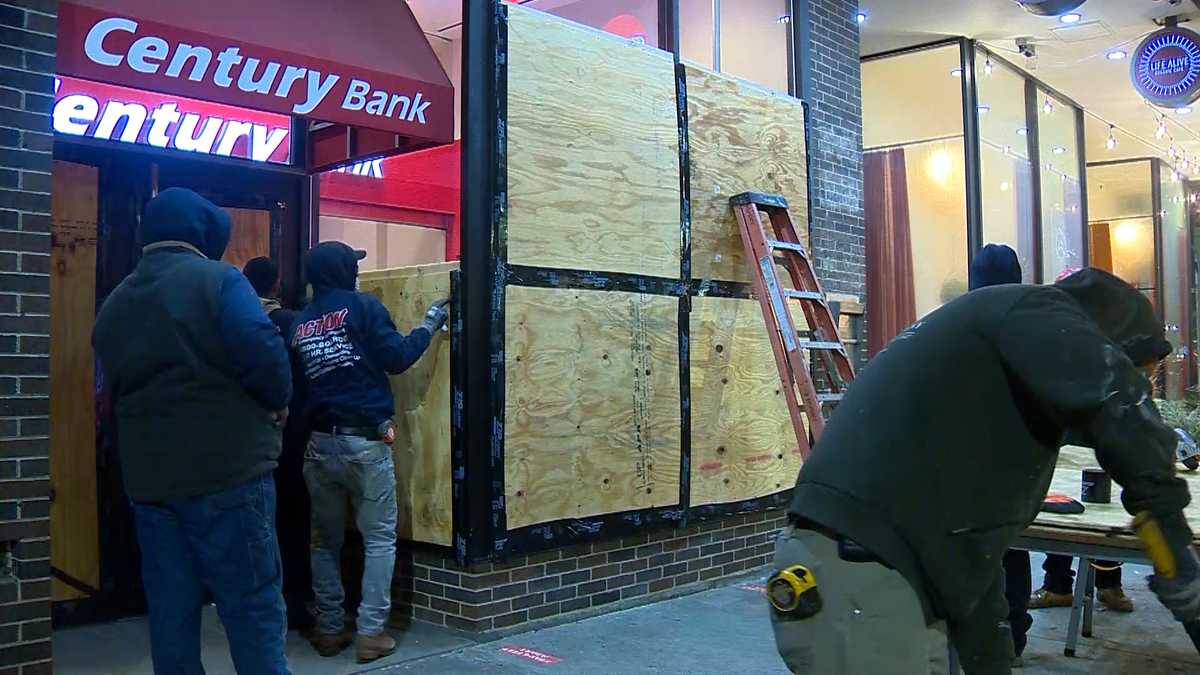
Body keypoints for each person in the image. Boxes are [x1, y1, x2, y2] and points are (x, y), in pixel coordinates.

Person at [770, 267, 1195, 675]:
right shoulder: (1036, 309)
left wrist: (992, 660)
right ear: (1100, 344)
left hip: (889, 571)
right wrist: (1179, 563)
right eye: (1138, 374)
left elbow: (974, 548)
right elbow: (1121, 409)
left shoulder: (998, 402)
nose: (1143, 391)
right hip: (859, 569)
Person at [92, 188, 292, 674]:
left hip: (151, 483)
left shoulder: (114, 303)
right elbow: (267, 360)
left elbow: (104, 396)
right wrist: (277, 406)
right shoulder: (220, 281)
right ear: (204, 235)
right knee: (251, 609)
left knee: (170, 614)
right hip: (229, 474)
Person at [290, 241, 448, 663]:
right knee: (379, 539)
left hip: (318, 445)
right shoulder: (362, 308)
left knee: (324, 541)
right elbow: (396, 358)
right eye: (353, 265)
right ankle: (370, 634)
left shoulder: (301, 323)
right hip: (365, 442)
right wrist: (430, 324)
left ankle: (328, 630)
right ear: (343, 270)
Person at [243, 256, 315, 631]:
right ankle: (297, 605)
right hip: (290, 437)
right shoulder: (287, 321)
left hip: (246, 442)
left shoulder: (233, 320)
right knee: (293, 522)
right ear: (274, 285)